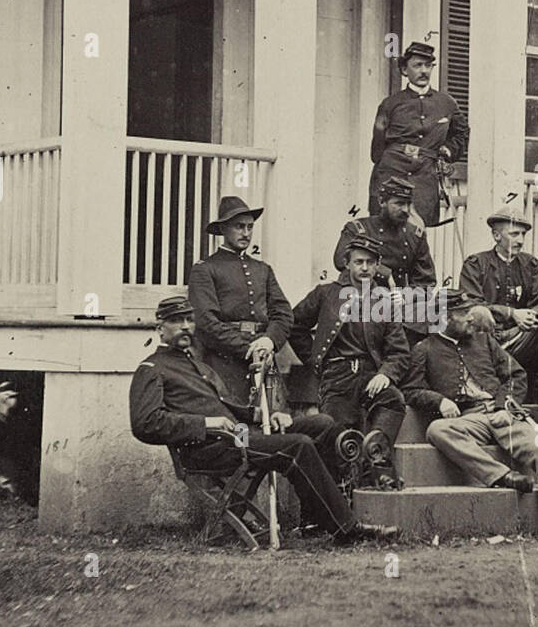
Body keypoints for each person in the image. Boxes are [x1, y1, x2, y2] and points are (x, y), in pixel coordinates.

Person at [129, 295, 396, 542]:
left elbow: (226, 408)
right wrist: (206, 424)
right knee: (298, 445)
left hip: (238, 437)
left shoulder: (196, 365)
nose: (186, 326)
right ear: (159, 327)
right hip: (208, 450)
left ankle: (315, 520)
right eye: (176, 321)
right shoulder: (152, 369)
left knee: (322, 424)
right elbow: (146, 424)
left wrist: (265, 416)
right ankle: (346, 528)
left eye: (189, 320)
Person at [401, 289, 538, 547]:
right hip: (468, 418)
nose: (472, 318)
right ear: (443, 317)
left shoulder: (485, 342)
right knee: (437, 429)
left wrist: (504, 405)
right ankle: (501, 476)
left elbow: (515, 375)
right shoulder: (424, 349)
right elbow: (411, 390)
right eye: (463, 314)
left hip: (502, 414)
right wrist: (440, 400)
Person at [290, 234, 411, 446]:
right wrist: (314, 358)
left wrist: (385, 375)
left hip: (371, 376)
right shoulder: (326, 293)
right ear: (347, 264)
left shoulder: (383, 302)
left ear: (377, 266)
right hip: (337, 376)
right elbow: (294, 325)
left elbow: (399, 351)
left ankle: (374, 457)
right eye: (359, 262)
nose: (364, 268)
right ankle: (345, 474)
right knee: (338, 435)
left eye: (370, 262)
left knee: (394, 400)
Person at [458, 204, 538, 401]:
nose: (520, 241)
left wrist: (533, 315)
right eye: (514, 234)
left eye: (523, 235)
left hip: (524, 337)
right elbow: (469, 306)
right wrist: (512, 314)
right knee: (478, 312)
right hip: (489, 340)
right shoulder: (476, 264)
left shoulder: (530, 264)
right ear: (496, 236)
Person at [187, 196, 295, 407]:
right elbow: (206, 322)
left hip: (264, 358)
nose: (246, 233)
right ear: (224, 229)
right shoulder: (205, 268)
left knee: (273, 424)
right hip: (224, 364)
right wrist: (248, 347)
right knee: (236, 427)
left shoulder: (263, 269)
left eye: (249, 227)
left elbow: (283, 313)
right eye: (239, 227)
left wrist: (269, 341)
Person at [368, 40, 469, 226]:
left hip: (425, 177)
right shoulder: (390, 104)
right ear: (405, 70)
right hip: (391, 172)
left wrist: (448, 150)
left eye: (428, 65)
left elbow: (462, 133)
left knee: (417, 231)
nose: (424, 71)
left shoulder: (446, 103)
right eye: (417, 65)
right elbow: (377, 148)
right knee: (386, 229)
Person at [334, 177, 437, 339]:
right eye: (399, 204)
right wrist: (384, 273)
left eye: (408, 204)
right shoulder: (358, 229)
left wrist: (405, 296)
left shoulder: (415, 236)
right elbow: (341, 260)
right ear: (382, 201)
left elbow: (427, 283)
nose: (406, 210)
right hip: (359, 300)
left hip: (398, 306)